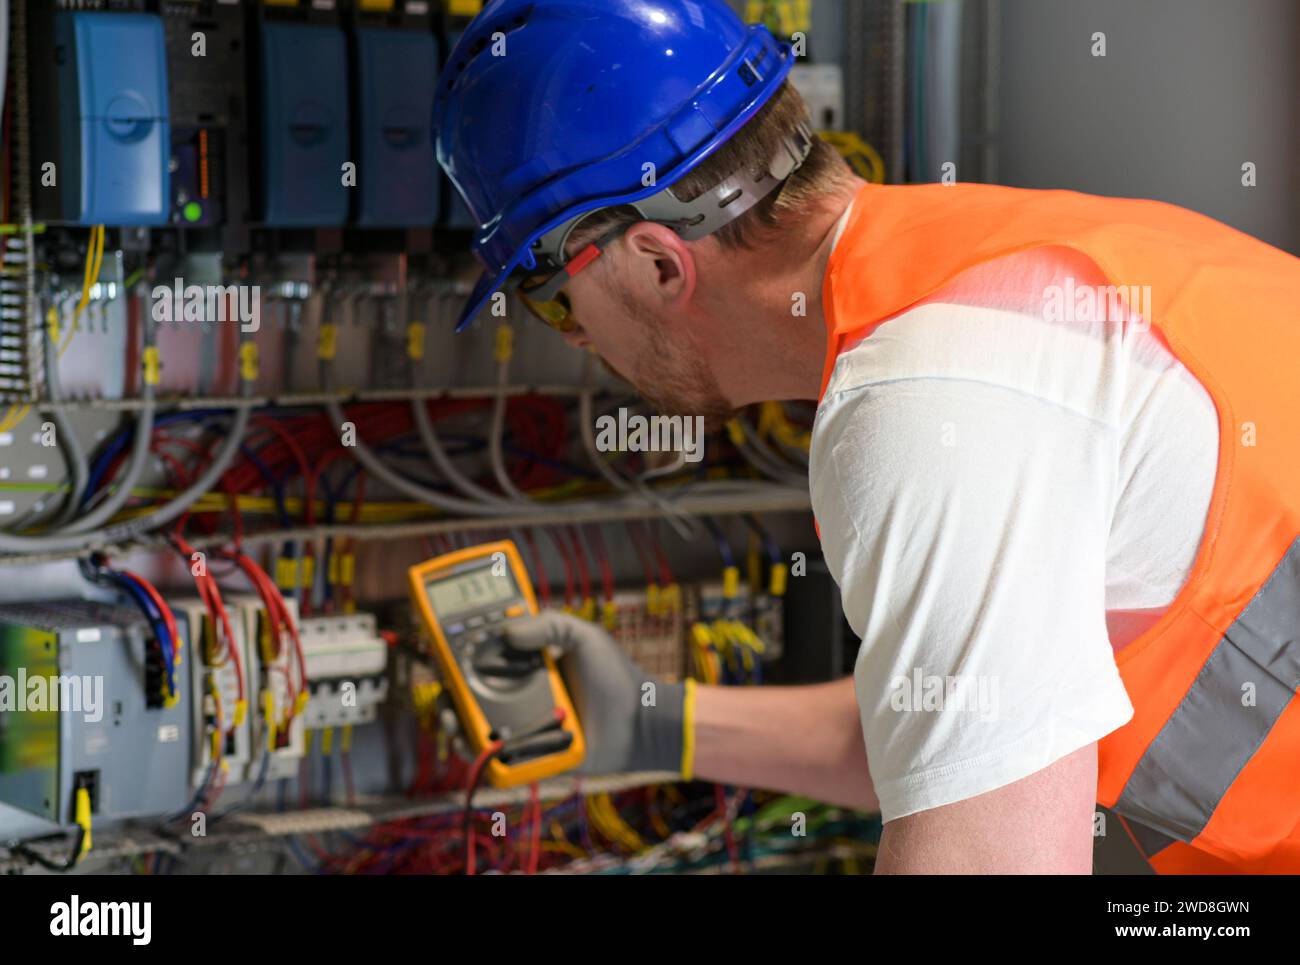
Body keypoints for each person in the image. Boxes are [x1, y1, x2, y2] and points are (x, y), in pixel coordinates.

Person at [434, 0, 1300, 873]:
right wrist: (661, 720)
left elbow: (985, 855)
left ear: (659, 263)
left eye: (551, 300)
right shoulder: (1001, 261)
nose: (577, 340)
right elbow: (972, 723)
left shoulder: (929, 400)